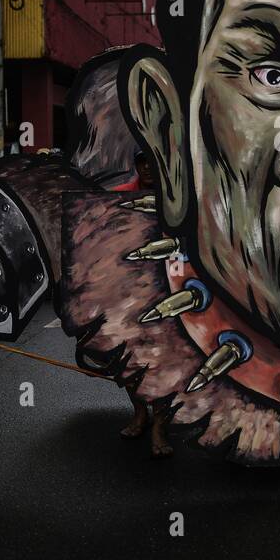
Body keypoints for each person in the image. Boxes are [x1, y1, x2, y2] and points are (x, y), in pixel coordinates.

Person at [110, 152, 173, 458]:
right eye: (141, 161)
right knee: (129, 358)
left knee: (163, 361)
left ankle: (160, 426)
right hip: (127, 291)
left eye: (152, 160)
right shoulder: (118, 198)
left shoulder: (177, 196)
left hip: (167, 291)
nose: (147, 167)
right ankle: (139, 412)